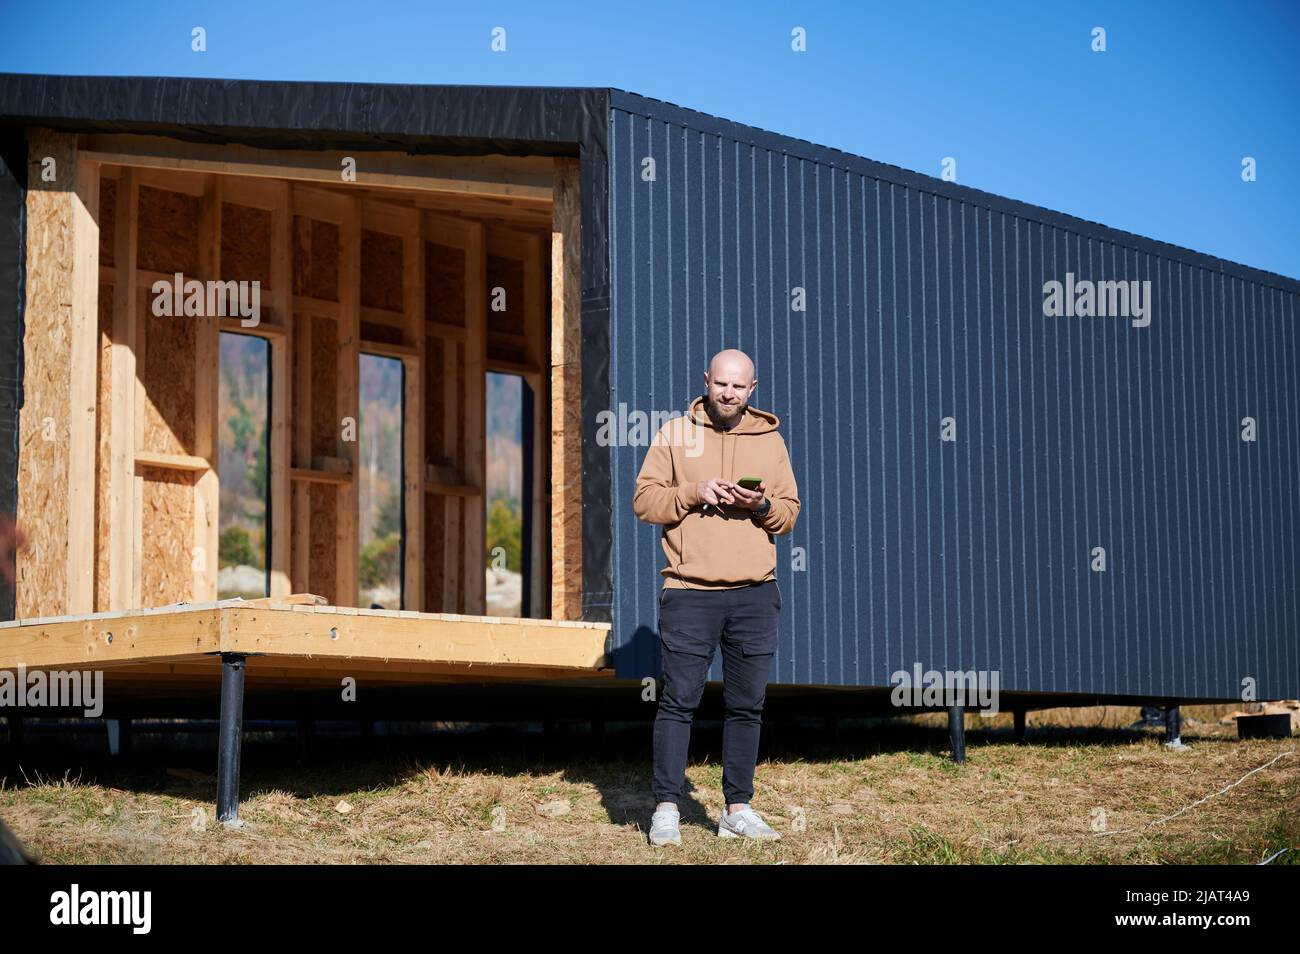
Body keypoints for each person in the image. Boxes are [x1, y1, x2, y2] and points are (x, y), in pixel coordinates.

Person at [632, 349, 801, 846]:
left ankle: (737, 809)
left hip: (755, 594)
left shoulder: (770, 440)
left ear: (753, 389)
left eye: (739, 386)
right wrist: (693, 491)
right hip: (688, 593)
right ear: (707, 380)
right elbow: (645, 501)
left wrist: (762, 504)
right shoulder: (674, 434)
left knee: (747, 707)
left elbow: (789, 513)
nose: (729, 393)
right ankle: (666, 808)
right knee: (679, 702)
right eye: (721, 383)